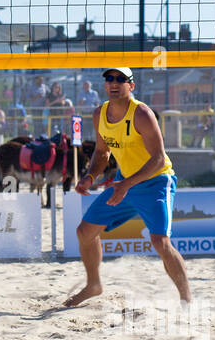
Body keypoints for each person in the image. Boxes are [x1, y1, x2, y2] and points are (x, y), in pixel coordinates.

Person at [63, 67, 190, 308]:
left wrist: (126, 185)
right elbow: (102, 152)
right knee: (85, 232)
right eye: (109, 79)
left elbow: (159, 159)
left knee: (160, 242)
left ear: (131, 86)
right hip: (125, 181)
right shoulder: (99, 113)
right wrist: (89, 176)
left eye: (121, 79)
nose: (114, 83)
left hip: (155, 181)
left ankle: (187, 301)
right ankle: (94, 285)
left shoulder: (142, 114)